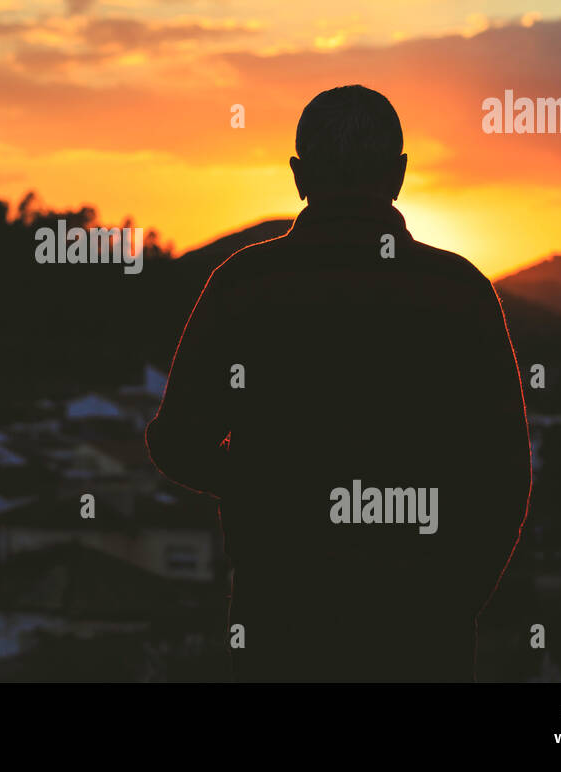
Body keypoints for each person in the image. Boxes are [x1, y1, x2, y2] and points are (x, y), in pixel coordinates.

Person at [145, 85, 532, 681]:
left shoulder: (244, 286)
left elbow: (176, 442)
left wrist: (264, 489)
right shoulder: (460, 293)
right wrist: (454, 602)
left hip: (280, 624)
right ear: (399, 175)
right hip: (424, 635)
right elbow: (503, 476)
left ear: (299, 176)